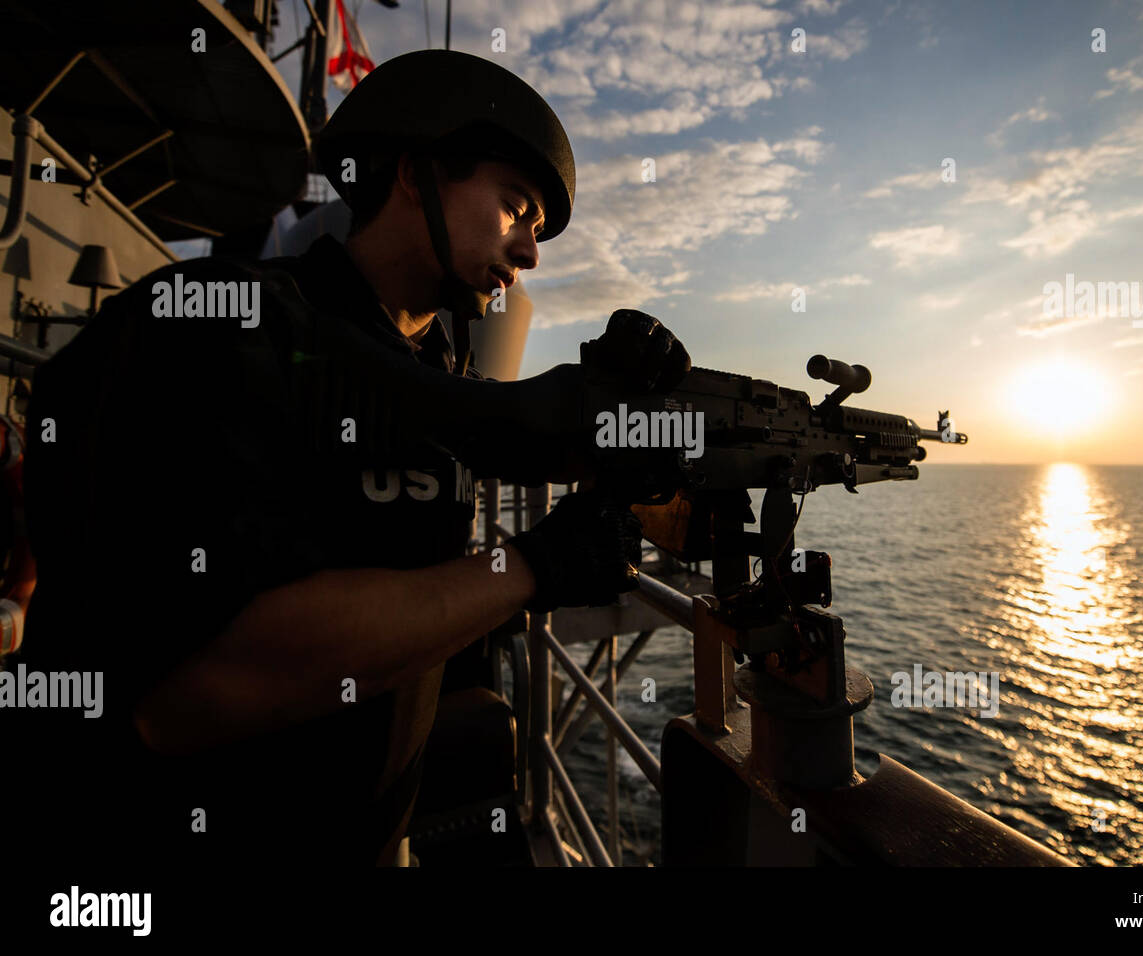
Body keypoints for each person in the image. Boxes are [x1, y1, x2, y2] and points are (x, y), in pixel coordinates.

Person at [12, 49, 690, 868]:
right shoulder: (231, 330)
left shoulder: (435, 369)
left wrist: (640, 427)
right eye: (515, 208)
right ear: (415, 175)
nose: (531, 253)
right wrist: (530, 567)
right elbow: (191, 693)